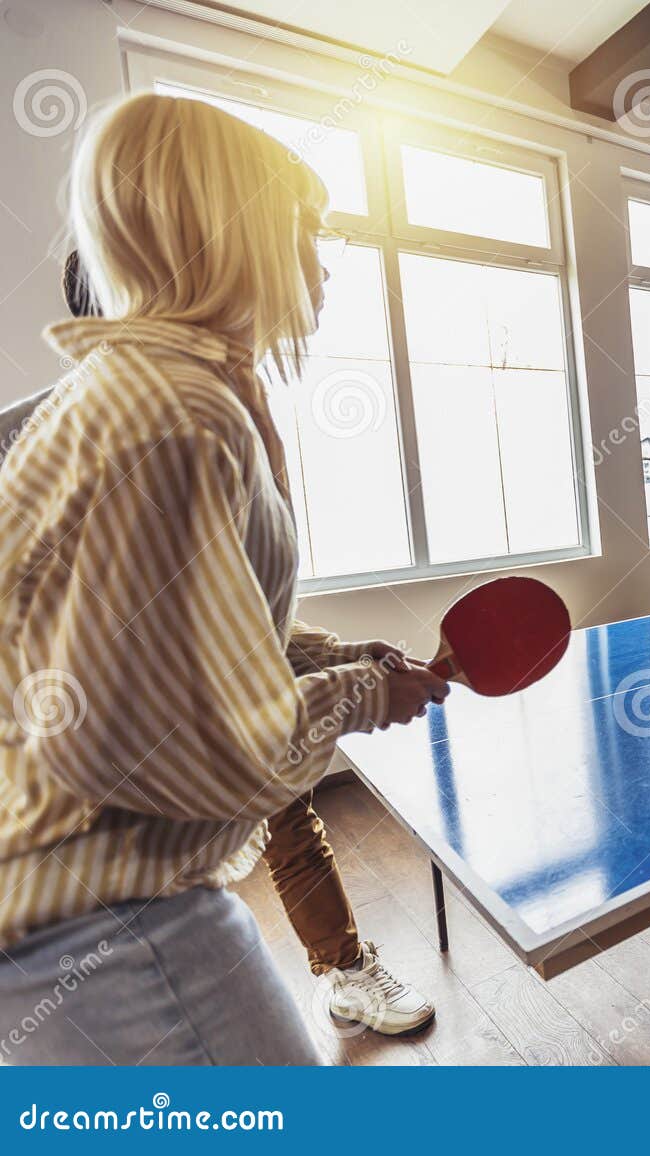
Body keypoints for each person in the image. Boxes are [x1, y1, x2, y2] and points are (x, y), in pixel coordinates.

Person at [0, 91, 450, 1065]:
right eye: (305, 231)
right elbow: (157, 736)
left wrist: (336, 655)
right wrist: (363, 692)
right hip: (100, 923)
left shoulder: (170, 392)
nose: (321, 262)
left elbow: (173, 636)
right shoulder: (177, 410)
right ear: (229, 230)